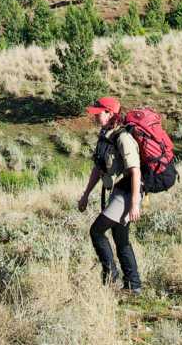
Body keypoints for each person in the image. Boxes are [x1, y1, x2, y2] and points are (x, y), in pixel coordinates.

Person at [76, 96, 142, 292]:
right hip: (118, 192)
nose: (95, 117)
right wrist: (86, 194)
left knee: (96, 231)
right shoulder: (105, 136)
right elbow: (98, 168)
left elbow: (135, 170)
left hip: (127, 192)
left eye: (99, 113)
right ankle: (134, 285)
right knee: (121, 239)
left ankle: (111, 275)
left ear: (110, 113)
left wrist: (135, 202)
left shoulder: (123, 138)